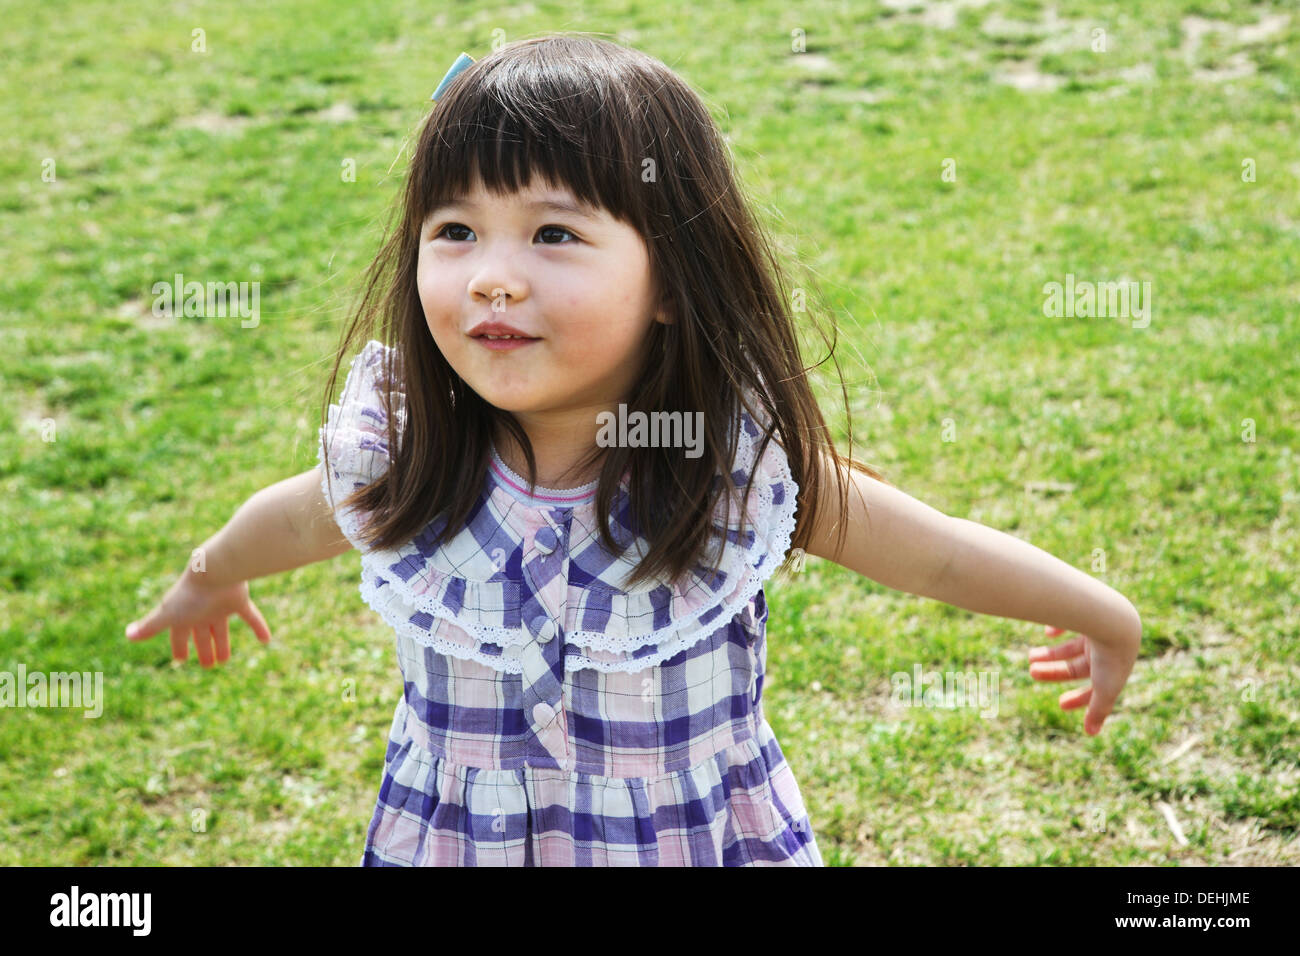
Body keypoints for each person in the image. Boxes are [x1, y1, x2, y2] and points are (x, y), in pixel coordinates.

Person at [124, 34, 1143, 866]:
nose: (492, 277)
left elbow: (937, 551)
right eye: (455, 230)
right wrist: (206, 578)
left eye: (553, 234)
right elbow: (288, 519)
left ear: (669, 282)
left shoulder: (729, 468)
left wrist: (1097, 610)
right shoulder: (404, 452)